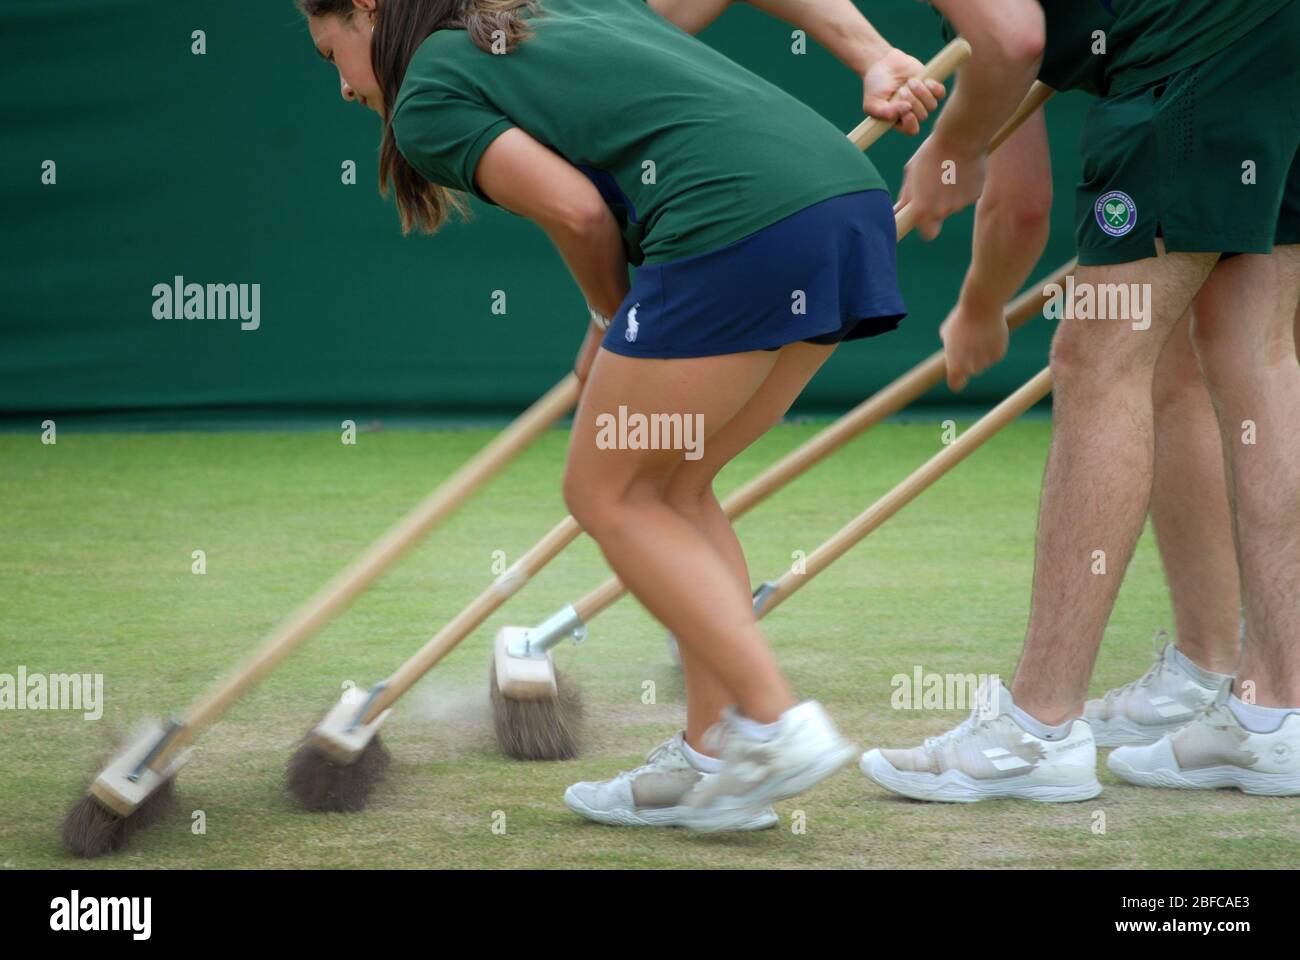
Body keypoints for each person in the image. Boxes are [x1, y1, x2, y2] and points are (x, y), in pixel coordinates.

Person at [299, 0, 943, 831]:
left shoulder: (425, 95)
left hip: (733, 224)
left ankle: (774, 720)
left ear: (367, 10)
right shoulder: (547, 7)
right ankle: (715, 758)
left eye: (329, 54)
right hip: (840, 205)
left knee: (606, 492)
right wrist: (873, 52)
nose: (344, 87)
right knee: (675, 486)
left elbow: (578, 211)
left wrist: (610, 325)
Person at [862, 0, 1300, 801]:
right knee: (1255, 346)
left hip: (1193, 53)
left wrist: (951, 148)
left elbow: (1016, 44)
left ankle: (1036, 728)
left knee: (1099, 351)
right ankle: (1276, 714)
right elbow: (1021, 78)